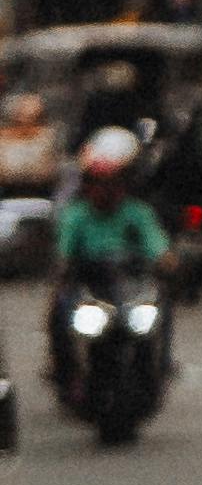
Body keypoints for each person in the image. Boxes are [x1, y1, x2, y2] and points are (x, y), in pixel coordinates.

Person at [45, 125, 172, 388]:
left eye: (112, 183)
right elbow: (64, 253)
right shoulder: (76, 215)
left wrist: (168, 261)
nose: (104, 190)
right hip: (89, 286)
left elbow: (157, 246)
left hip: (129, 287)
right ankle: (64, 369)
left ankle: (160, 364)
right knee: (58, 309)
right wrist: (62, 270)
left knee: (162, 306)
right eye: (97, 183)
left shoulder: (137, 214)